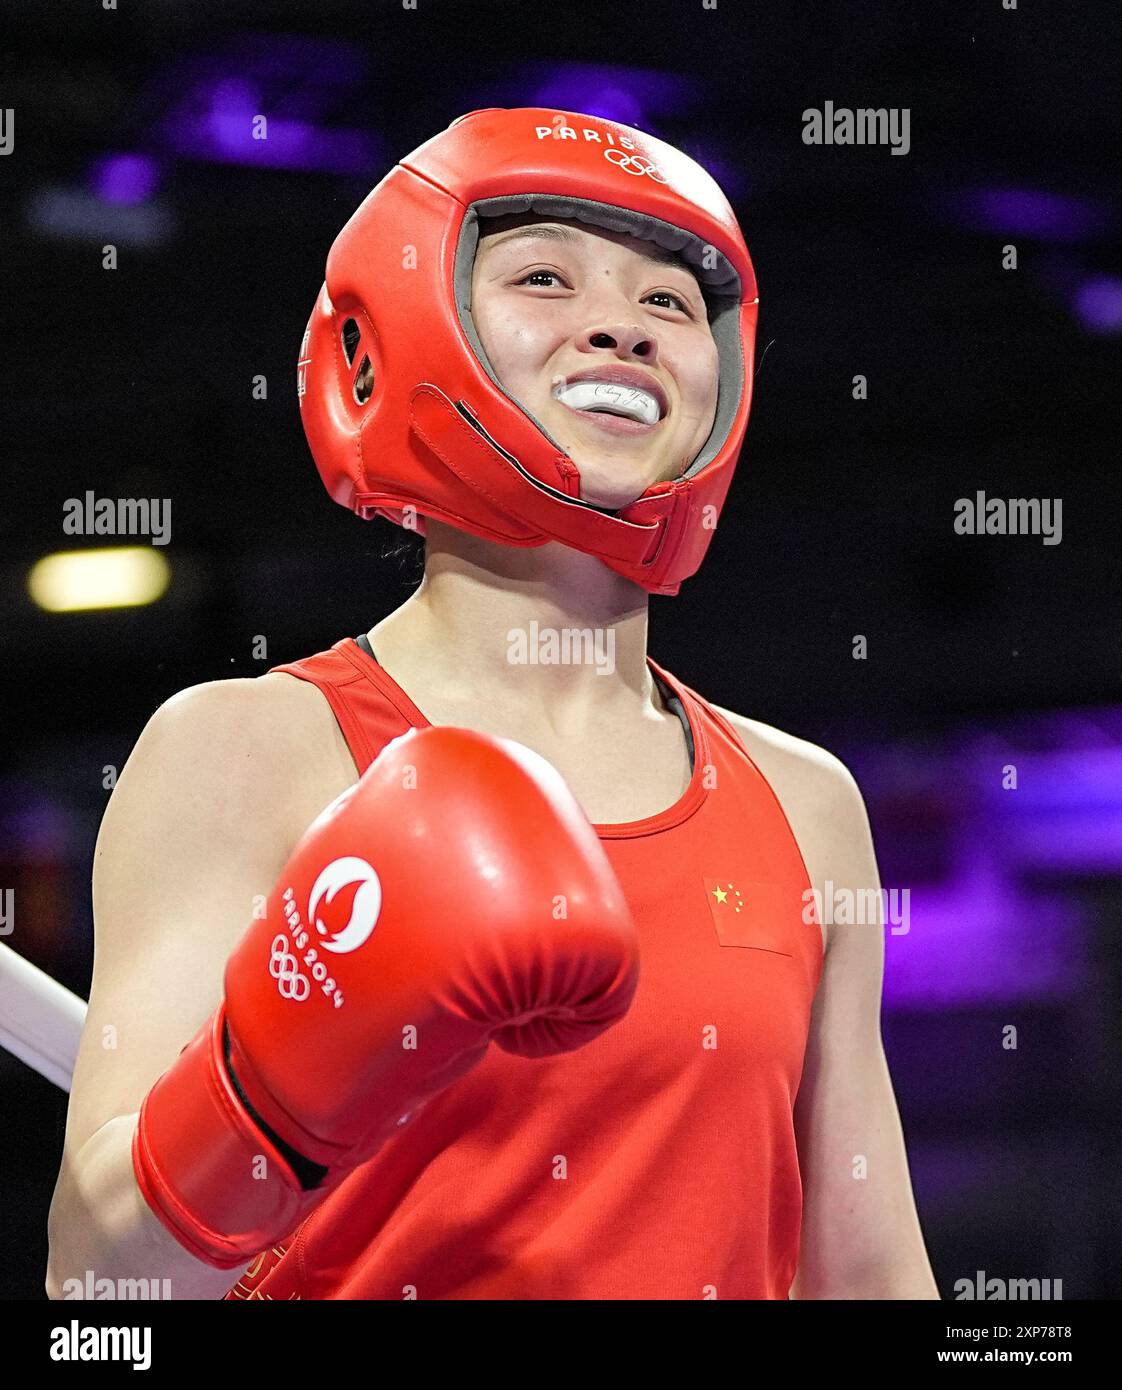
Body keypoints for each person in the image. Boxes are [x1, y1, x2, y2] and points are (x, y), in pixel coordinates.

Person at [47, 107, 939, 1300]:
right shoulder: (247, 749)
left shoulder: (805, 801)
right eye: (544, 277)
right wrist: (266, 1099)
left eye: (670, 303)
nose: (621, 323)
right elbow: (98, 1297)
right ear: (408, 328)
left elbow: (873, 1278)